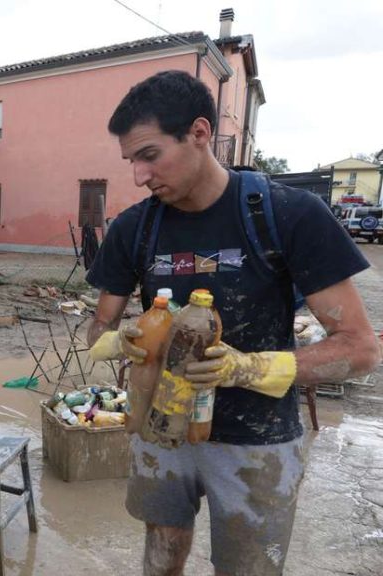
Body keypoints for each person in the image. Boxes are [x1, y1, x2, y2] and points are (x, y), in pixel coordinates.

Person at [85, 70, 380, 575]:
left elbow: (359, 349)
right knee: (161, 553)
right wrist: (120, 342)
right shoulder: (134, 228)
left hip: (256, 440)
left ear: (199, 133)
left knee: (249, 568)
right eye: (130, 160)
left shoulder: (287, 214)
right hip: (161, 432)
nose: (138, 175)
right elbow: (97, 330)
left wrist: (247, 368)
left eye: (149, 155)